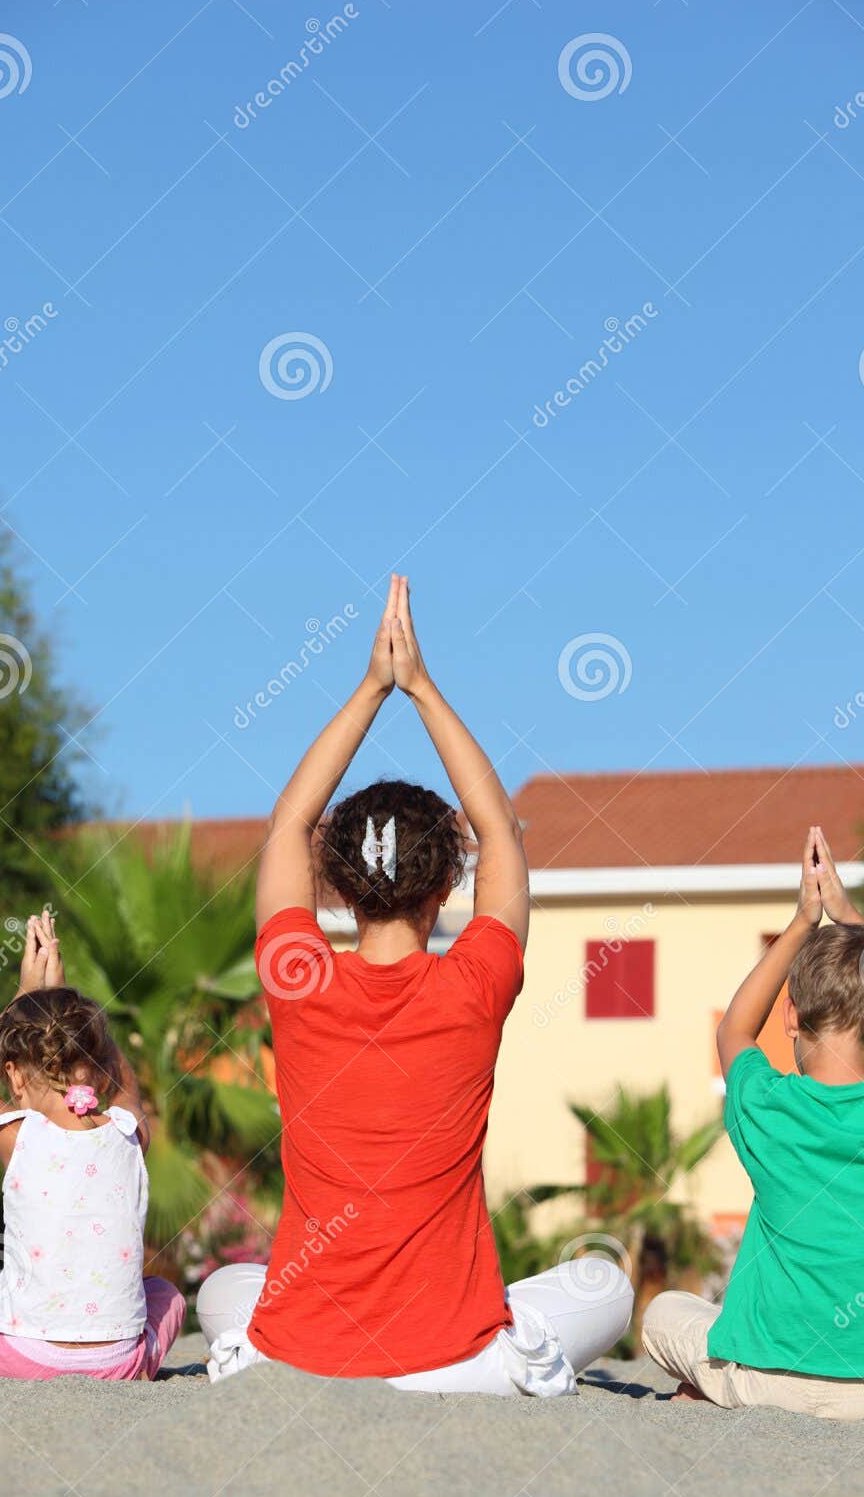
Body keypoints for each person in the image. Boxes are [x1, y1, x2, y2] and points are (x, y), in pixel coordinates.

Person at [198, 575, 633, 1394]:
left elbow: (288, 822)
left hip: (303, 1354)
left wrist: (371, 688)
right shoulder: (475, 982)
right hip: (457, 1364)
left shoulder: (296, 978)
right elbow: (500, 830)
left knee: (224, 1288)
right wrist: (422, 688)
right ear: (445, 886)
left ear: (336, 886)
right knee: (605, 1286)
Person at [642, 828, 864, 1419]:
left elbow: (734, 1030)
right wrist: (855, 921)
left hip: (761, 1380)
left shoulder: (767, 1103)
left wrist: (802, 922)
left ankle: (709, 1383)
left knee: (663, 1312)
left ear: (791, 1017)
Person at [0, 911, 185, 1380]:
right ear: (101, 1068)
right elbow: (128, 1092)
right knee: (167, 1295)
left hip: (21, 1359)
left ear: (14, 1075)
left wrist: (27, 996)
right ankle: (134, 1362)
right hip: (119, 1363)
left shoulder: (20, 1138)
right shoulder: (127, 1132)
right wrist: (71, 1012)